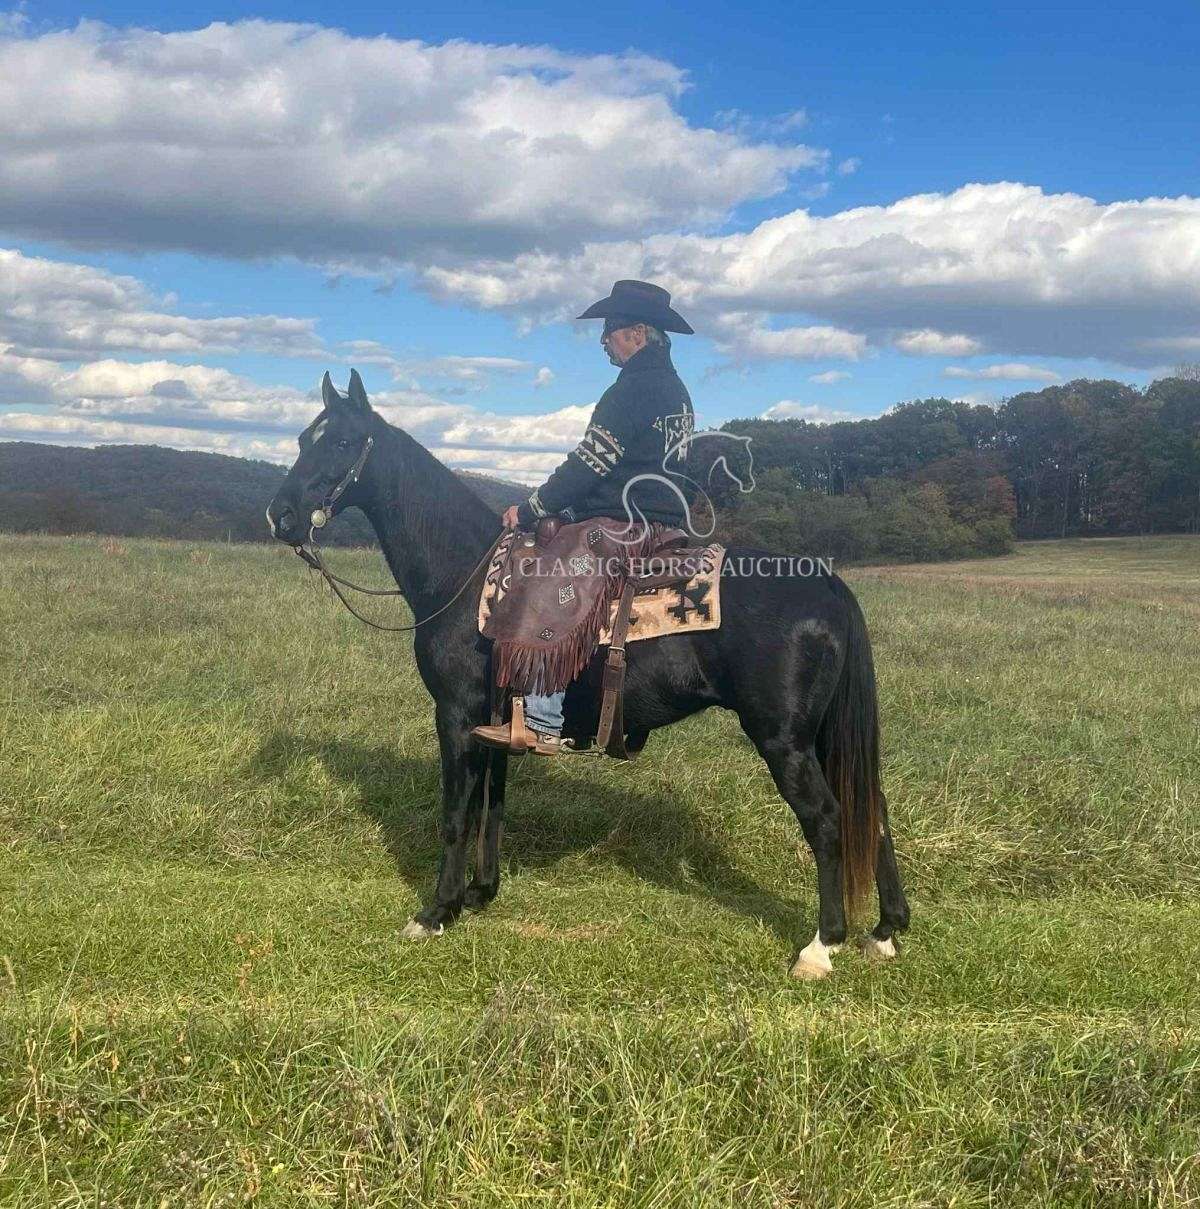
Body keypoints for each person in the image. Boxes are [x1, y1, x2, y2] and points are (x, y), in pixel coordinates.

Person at [471, 279, 695, 754]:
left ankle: (542, 718)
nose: (603, 339)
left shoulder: (631, 389)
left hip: (621, 524)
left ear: (637, 332)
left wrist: (534, 507)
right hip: (663, 522)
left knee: (545, 578)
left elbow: (589, 464)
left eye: (611, 329)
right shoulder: (676, 390)